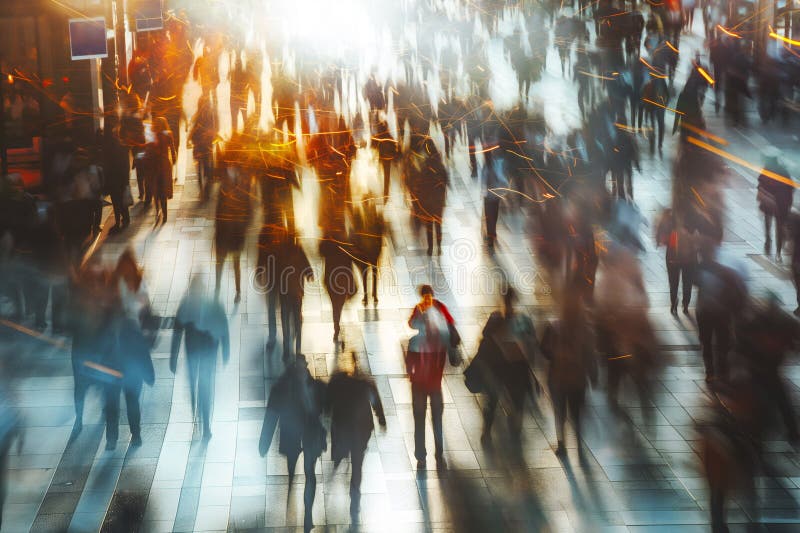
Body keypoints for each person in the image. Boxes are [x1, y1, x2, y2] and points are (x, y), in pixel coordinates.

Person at [259, 355, 326, 533]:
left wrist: (264, 443)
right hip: (301, 434)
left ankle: (307, 513)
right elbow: (272, 414)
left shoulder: (291, 387)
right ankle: (304, 508)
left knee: (308, 472)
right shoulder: (297, 386)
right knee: (304, 471)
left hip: (302, 434)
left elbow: (271, 415)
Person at [471, 288, 538, 452]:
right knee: (517, 402)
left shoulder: (496, 318)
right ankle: (515, 432)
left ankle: (487, 432)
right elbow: (532, 343)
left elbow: (485, 337)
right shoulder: (522, 320)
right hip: (517, 367)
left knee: (492, 401)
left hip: (498, 367)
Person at [326, 353, 386, 521]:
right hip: (361, 430)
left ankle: (340, 455)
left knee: (344, 450)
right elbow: (375, 402)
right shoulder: (365, 383)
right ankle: (355, 496)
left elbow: (327, 402)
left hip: (343, 427)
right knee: (357, 464)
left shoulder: (337, 382)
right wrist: (381, 419)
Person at [406, 285, 460, 469]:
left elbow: (409, 366)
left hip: (418, 387)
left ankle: (421, 456)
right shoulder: (440, 345)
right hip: (435, 386)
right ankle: (439, 452)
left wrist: (414, 374)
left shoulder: (414, 342)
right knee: (437, 419)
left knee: (419, 420)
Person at [171, 276, 230, 441]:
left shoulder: (205, 304)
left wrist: (173, 357)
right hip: (198, 351)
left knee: (203, 386)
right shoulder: (192, 305)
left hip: (204, 352)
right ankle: (198, 418)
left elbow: (223, 326)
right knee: (197, 386)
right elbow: (178, 330)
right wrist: (225, 350)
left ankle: (204, 424)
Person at [541, 290, 596, 457]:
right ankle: (579, 445)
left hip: (557, 377)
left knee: (560, 413)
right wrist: (593, 375)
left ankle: (561, 444)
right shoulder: (585, 330)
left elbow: (543, 349)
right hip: (577, 378)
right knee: (576, 413)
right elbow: (590, 355)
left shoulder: (554, 326)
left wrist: (555, 357)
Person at [102, 309, 155, 450]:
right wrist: (149, 374)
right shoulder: (128, 327)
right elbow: (143, 351)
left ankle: (122, 438)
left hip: (123, 373)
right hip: (121, 373)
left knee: (121, 405)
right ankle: (127, 437)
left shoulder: (112, 329)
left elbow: (141, 351)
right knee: (120, 405)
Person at [214, 145, 252, 301]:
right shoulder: (239, 183)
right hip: (229, 231)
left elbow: (247, 208)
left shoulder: (232, 184)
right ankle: (230, 290)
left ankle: (233, 290)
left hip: (232, 231)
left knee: (226, 262)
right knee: (228, 262)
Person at [656, 208, 698, 314]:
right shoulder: (693, 216)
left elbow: (660, 236)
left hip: (672, 256)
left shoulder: (669, 215)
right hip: (689, 258)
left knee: (673, 282)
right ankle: (685, 304)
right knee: (687, 282)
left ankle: (674, 302)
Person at [320, 232, 357, 344]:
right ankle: (337, 325)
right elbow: (350, 267)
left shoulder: (328, 248)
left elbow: (321, 251)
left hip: (331, 281)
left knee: (335, 306)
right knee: (338, 306)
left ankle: (336, 326)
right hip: (342, 282)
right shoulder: (345, 249)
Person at [756, 149, 793, 261]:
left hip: (770, 202)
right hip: (782, 203)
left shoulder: (766, 171)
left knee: (768, 222)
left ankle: (768, 240)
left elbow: (760, 186)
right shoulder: (784, 171)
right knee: (779, 227)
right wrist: (789, 204)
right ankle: (778, 253)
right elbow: (790, 189)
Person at [351, 195, 384, 306]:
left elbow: (380, 234)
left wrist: (379, 249)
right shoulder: (359, 214)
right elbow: (354, 232)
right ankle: (368, 294)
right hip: (365, 250)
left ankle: (373, 293)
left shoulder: (374, 215)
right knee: (366, 273)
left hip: (372, 250)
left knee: (371, 273)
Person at [188, 95, 218, 201]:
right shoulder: (211, 115)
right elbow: (215, 129)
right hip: (205, 145)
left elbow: (193, 129)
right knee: (206, 168)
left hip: (199, 145)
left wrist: (190, 139)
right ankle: (205, 189)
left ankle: (203, 190)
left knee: (201, 169)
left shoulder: (198, 115)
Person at [151, 117, 177, 224]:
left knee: (156, 189)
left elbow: (150, 150)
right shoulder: (168, 134)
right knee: (163, 190)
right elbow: (173, 149)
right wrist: (173, 159)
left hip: (155, 164)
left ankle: (158, 210)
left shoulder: (153, 135)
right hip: (165, 164)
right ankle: (165, 214)